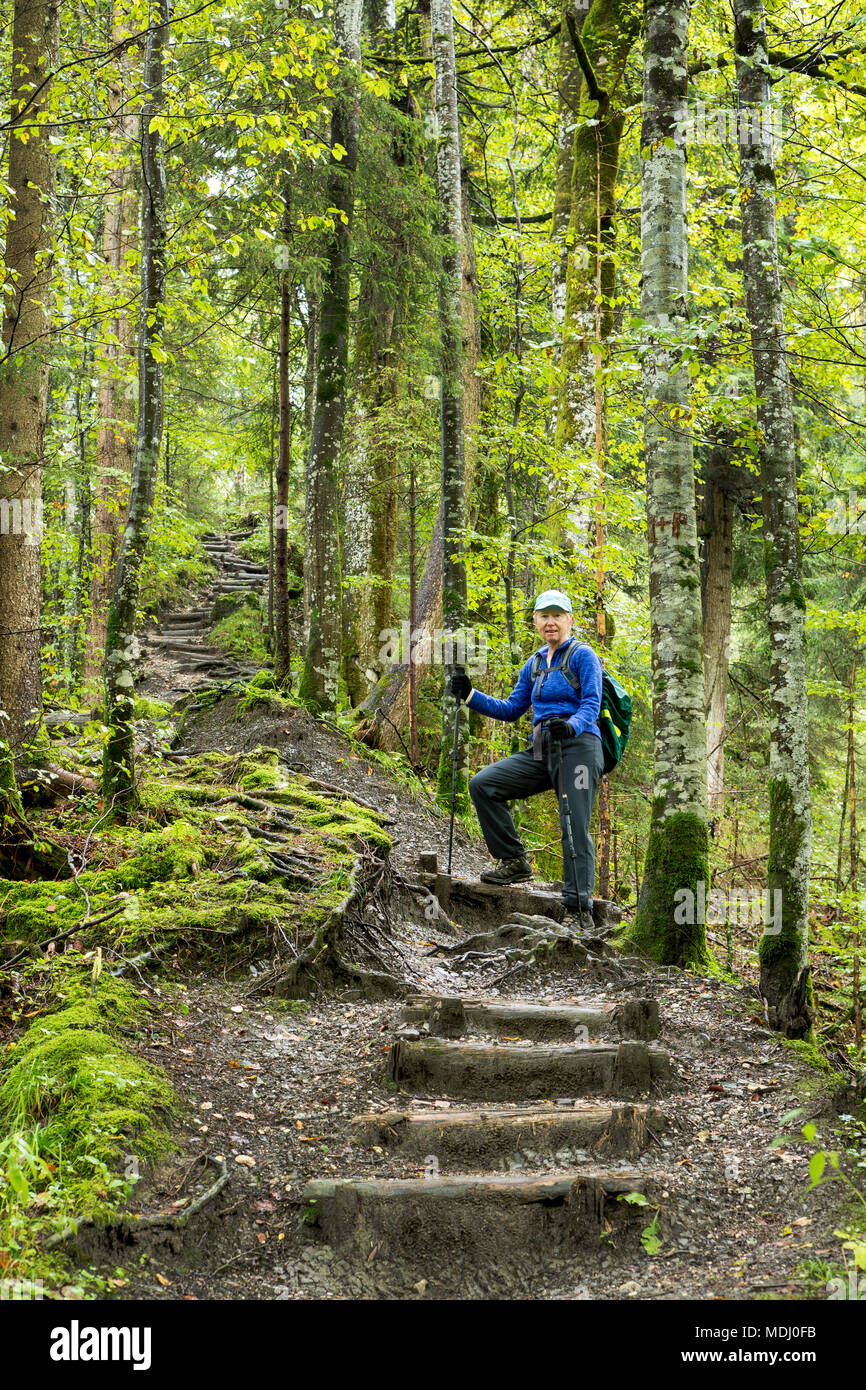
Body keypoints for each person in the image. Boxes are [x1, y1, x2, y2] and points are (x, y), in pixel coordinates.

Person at [450, 590, 603, 933]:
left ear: (569, 620)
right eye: (543, 616)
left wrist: (572, 725)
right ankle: (515, 861)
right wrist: (470, 694)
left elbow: (592, 703)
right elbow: (510, 709)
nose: (550, 622)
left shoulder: (583, 656)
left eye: (557, 615)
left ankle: (579, 910)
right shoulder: (533, 664)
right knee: (484, 784)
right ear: (535, 621)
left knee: (573, 825)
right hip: (542, 750)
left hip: (579, 749)